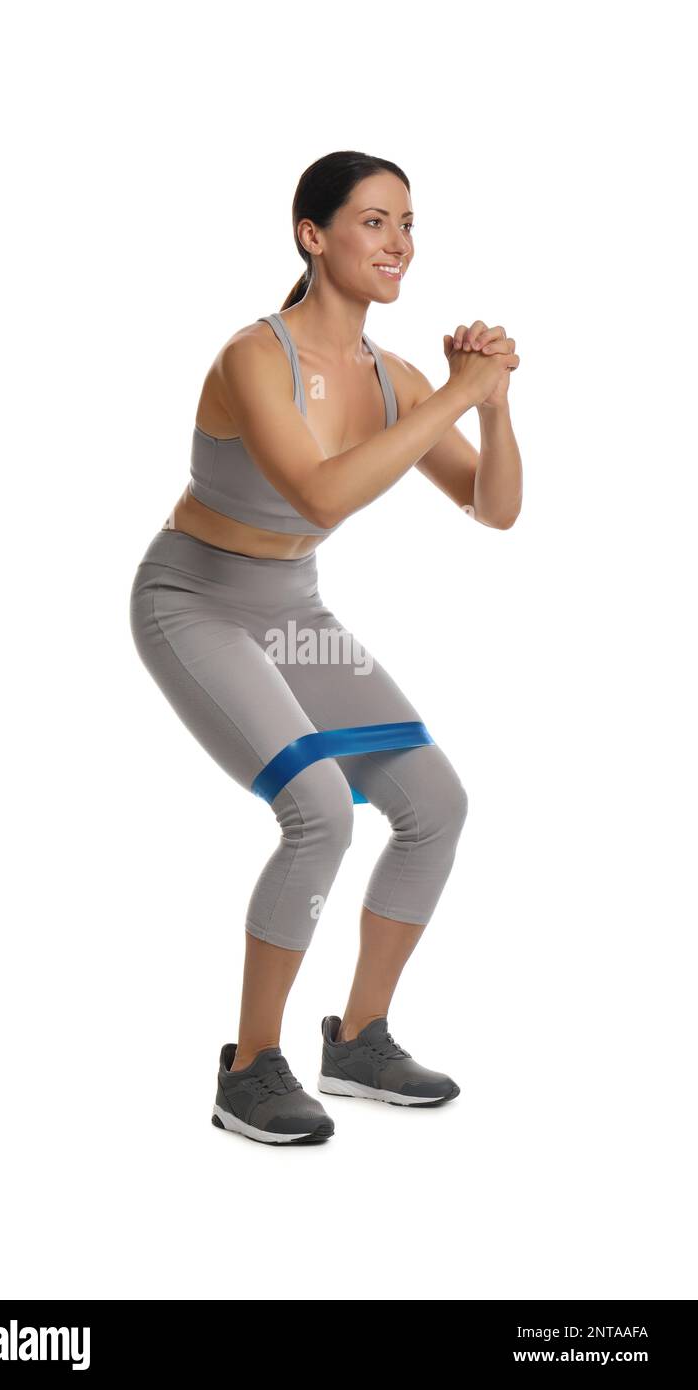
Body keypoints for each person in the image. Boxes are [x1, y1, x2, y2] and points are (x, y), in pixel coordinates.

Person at [129, 149, 522, 1146]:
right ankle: (251, 1065)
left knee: (433, 801)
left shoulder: (396, 377)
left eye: (408, 223)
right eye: (375, 222)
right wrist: (454, 392)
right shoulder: (254, 357)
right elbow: (321, 493)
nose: (401, 243)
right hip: (195, 598)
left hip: (290, 604)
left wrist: (495, 402)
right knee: (317, 813)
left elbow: (495, 507)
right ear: (313, 235)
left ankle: (357, 1039)